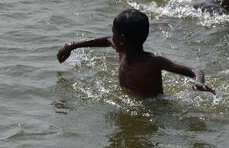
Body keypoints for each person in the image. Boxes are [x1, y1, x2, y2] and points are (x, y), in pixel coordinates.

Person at [56, 9, 215, 98]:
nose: (111, 37)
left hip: (155, 109)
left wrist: (199, 82)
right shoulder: (122, 50)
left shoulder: (153, 62)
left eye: (114, 33)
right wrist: (72, 46)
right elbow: (105, 40)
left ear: (122, 39)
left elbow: (195, 71)